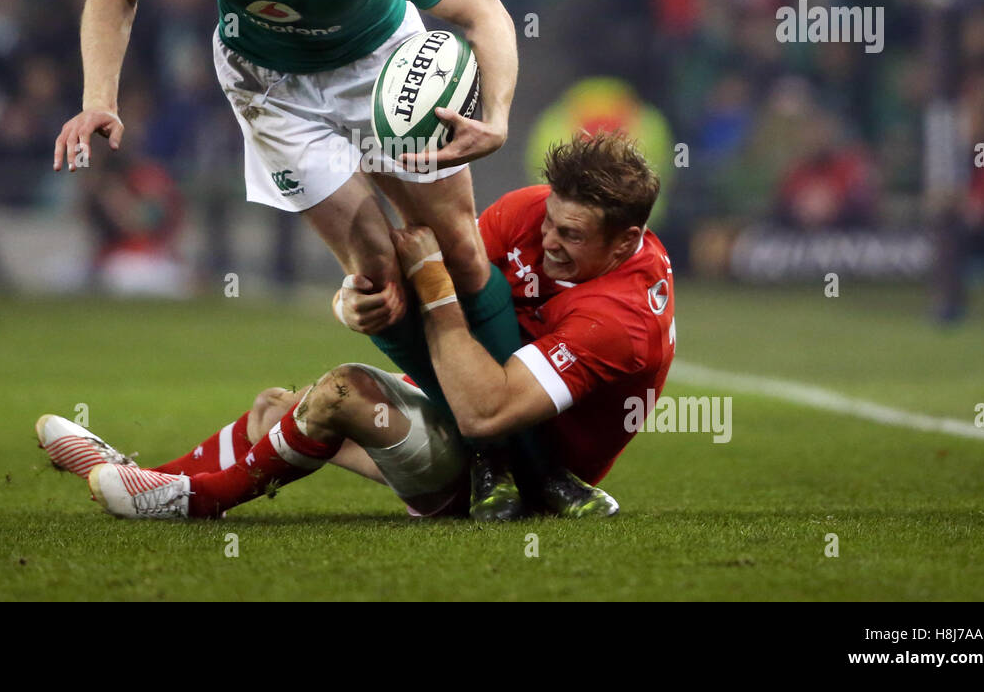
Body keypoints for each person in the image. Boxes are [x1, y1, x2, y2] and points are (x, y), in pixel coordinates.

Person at [51, 0, 529, 513]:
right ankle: (488, 445)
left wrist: (494, 115)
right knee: (377, 282)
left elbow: (483, 11)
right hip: (267, 83)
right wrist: (97, 99)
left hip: (380, 69)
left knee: (457, 249)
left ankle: (511, 447)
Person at [37, 131, 676, 520]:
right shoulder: (530, 212)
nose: (550, 240)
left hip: (523, 471)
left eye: (571, 235)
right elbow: (422, 279)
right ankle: (150, 472)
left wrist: (431, 289)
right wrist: (354, 303)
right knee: (275, 412)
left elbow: (487, 410)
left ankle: (185, 502)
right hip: (459, 412)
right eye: (550, 223)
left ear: (625, 243)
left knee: (345, 392)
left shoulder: (620, 316)